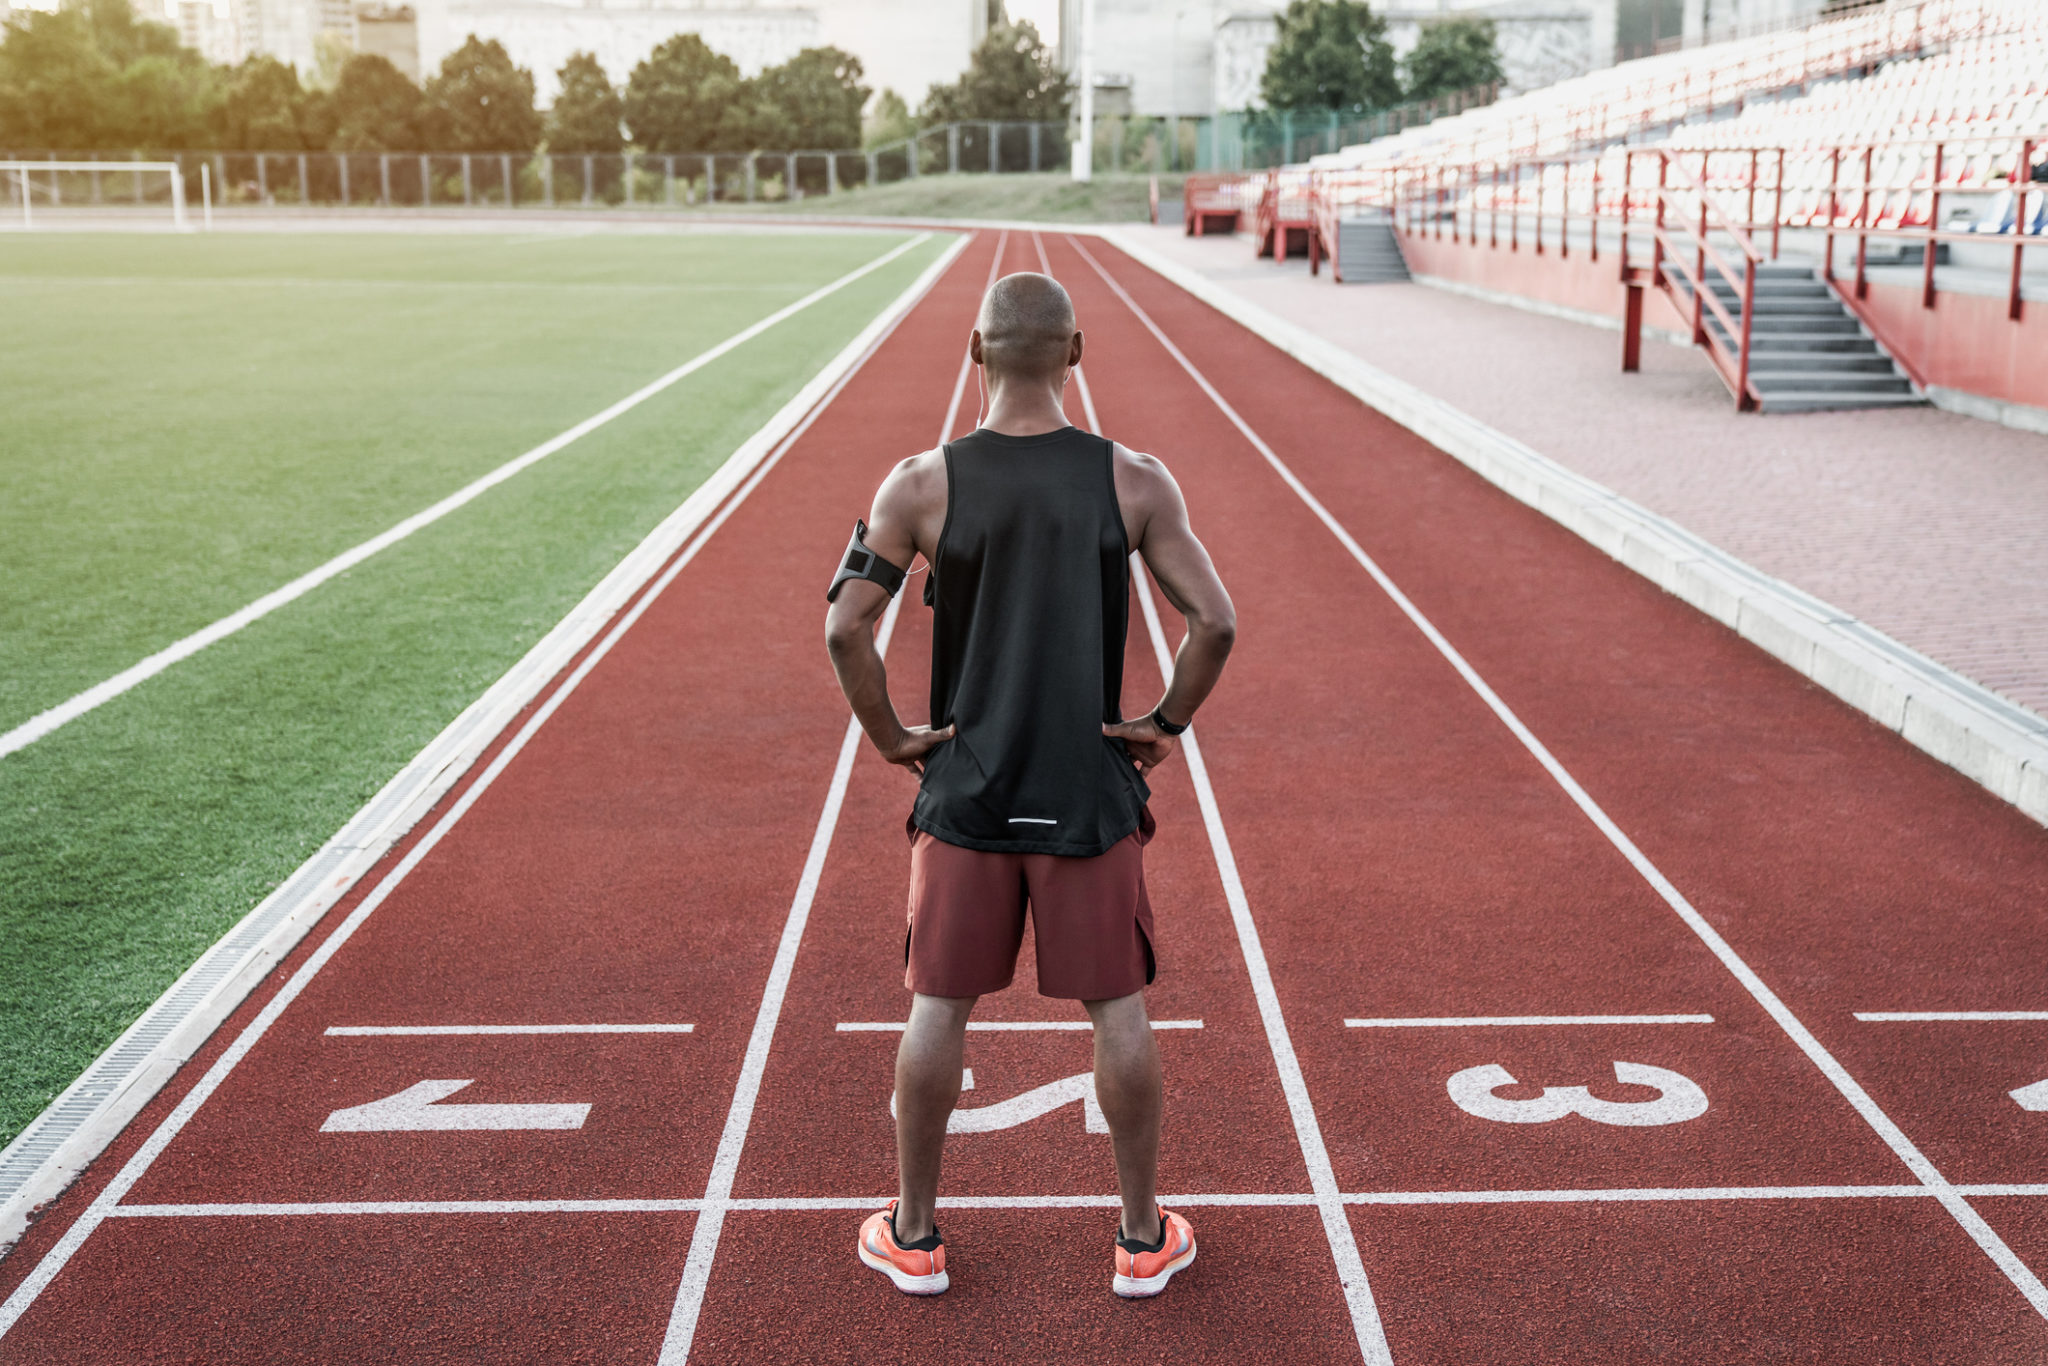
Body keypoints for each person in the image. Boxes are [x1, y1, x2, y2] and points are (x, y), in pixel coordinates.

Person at [824, 270, 1236, 1300]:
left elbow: (842, 628)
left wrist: (891, 738)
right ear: (1076, 352)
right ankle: (1142, 1239)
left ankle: (912, 1234)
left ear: (973, 352)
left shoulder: (917, 483)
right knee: (1118, 1013)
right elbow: (1215, 623)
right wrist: (1160, 727)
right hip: (1086, 794)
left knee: (937, 1011)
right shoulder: (1134, 480)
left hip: (964, 789)